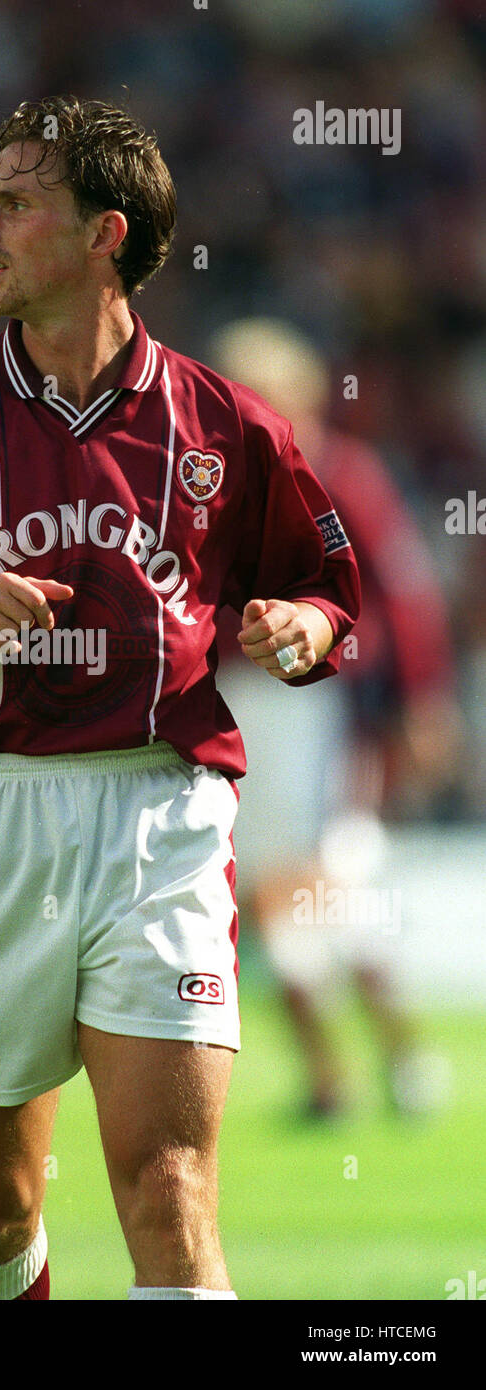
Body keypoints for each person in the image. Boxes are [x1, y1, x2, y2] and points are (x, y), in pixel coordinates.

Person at [0, 96, 360, 1300]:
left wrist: (297, 627)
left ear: (105, 233)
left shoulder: (222, 423)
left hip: (160, 814)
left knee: (168, 1187)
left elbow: (324, 587)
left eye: (11, 199)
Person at [210, 318, 461, 1119]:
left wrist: (421, 701)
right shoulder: (211, 482)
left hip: (318, 706)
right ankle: (341, 1072)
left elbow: (402, 593)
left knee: (320, 885)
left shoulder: (342, 476)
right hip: (242, 704)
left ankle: (384, 1059)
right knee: (277, 895)